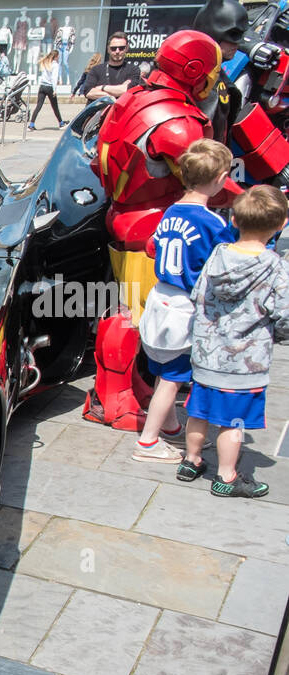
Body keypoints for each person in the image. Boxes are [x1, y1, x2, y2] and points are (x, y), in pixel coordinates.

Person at [132, 139, 238, 464]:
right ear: (220, 178)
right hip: (185, 307)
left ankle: (170, 426)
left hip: (160, 298)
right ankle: (147, 443)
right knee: (174, 377)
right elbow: (223, 265)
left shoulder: (169, 213)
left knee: (163, 370)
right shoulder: (213, 222)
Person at [181, 185, 289, 496]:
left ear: (234, 221)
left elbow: (196, 295)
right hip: (244, 363)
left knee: (198, 412)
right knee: (232, 422)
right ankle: (227, 476)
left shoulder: (217, 256)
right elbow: (284, 315)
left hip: (205, 356)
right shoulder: (276, 268)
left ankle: (191, 459)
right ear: (281, 224)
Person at [84, 32, 142, 101]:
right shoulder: (96, 70)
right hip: (98, 111)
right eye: (113, 48)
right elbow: (88, 92)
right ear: (108, 49)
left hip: (121, 110)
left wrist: (102, 88)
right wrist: (109, 96)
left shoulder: (133, 70)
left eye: (121, 48)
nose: (117, 51)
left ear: (126, 48)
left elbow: (128, 90)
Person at [29, 49, 67, 130]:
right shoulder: (55, 65)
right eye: (58, 57)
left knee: (38, 106)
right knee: (55, 106)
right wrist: (55, 89)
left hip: (42, 86)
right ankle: (61, 123)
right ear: (56, 57)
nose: (59, 58)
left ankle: (31, 125)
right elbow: (54, 78)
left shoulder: (45, 62)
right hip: (50, 87)